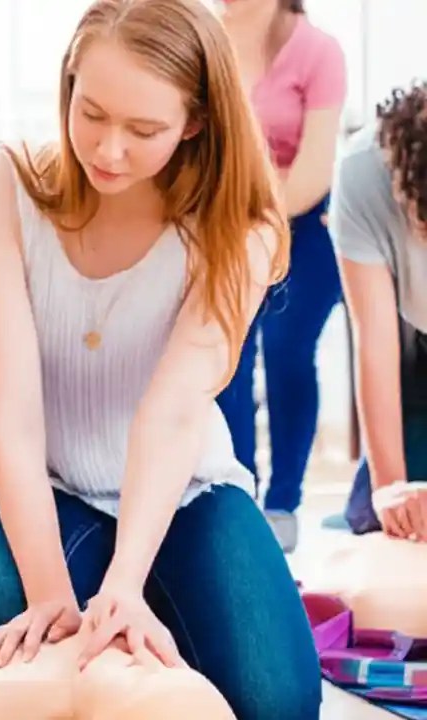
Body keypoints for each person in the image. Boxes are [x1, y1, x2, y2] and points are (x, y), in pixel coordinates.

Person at [0, 1, 320, 718]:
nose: (108, 150)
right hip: (48, 483)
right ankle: (113, 605)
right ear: (68, 83)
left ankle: (143, 597)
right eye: (91, 112)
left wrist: (124, 581)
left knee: (278, 702)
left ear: (197, 121)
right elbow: (12, 418)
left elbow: (173, 413)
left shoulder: (241, 228)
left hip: (184, 488)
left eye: (143, 130)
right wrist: (54, 600)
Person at [215, 0, 348, 552]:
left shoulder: (318, 52)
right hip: (222, 227)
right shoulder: (206, 40)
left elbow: (313, 175)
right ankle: (239, 498)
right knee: (227, 362)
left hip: (306, 231)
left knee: (289, 353)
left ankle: (283, 502)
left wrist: (252, 202)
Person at [329, 82, 427, 541]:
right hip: (413, 344)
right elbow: (375, 342)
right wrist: (393, 491)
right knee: (379, 519)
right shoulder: (363, 171)